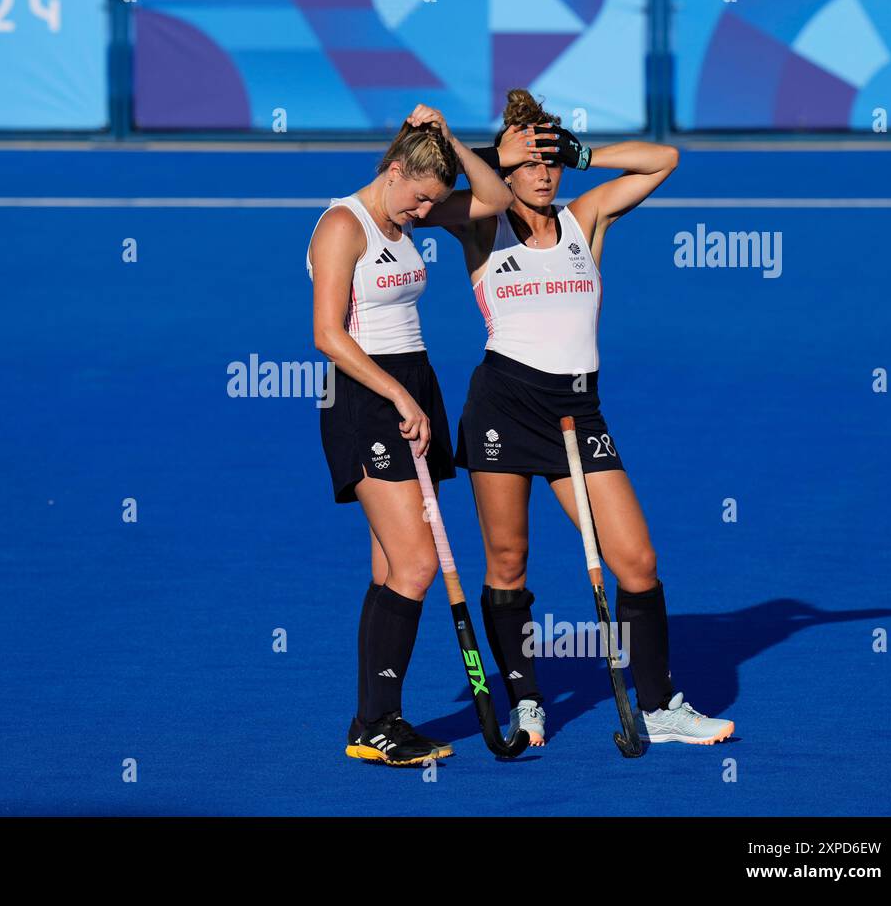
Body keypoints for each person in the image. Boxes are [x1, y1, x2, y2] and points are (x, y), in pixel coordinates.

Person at [445, 89, 734, 747]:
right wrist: (492, 155)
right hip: (503, 407)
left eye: (553, 161)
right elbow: (420, 198)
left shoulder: (586, 219)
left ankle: (659, 709)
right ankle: (526, 700)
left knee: (636, 559)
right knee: (509, 559)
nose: (545, 174)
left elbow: (664, 158)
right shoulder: (480, 224)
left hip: (579, 410)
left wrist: (586, 151)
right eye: (531, 162)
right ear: (506, 167)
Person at [307, 104, 556, 765]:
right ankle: (375, 722)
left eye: (430, 205)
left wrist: (445, 136)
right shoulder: (344, 224)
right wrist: (394, 396)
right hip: (366, 396)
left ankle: (374, 721)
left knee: (392, 565)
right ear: (393, 172)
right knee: (418, 564)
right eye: (418, 199)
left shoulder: (407, 211)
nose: (422, 216)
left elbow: (494, 198)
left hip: (415, 388)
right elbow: (327, 334)